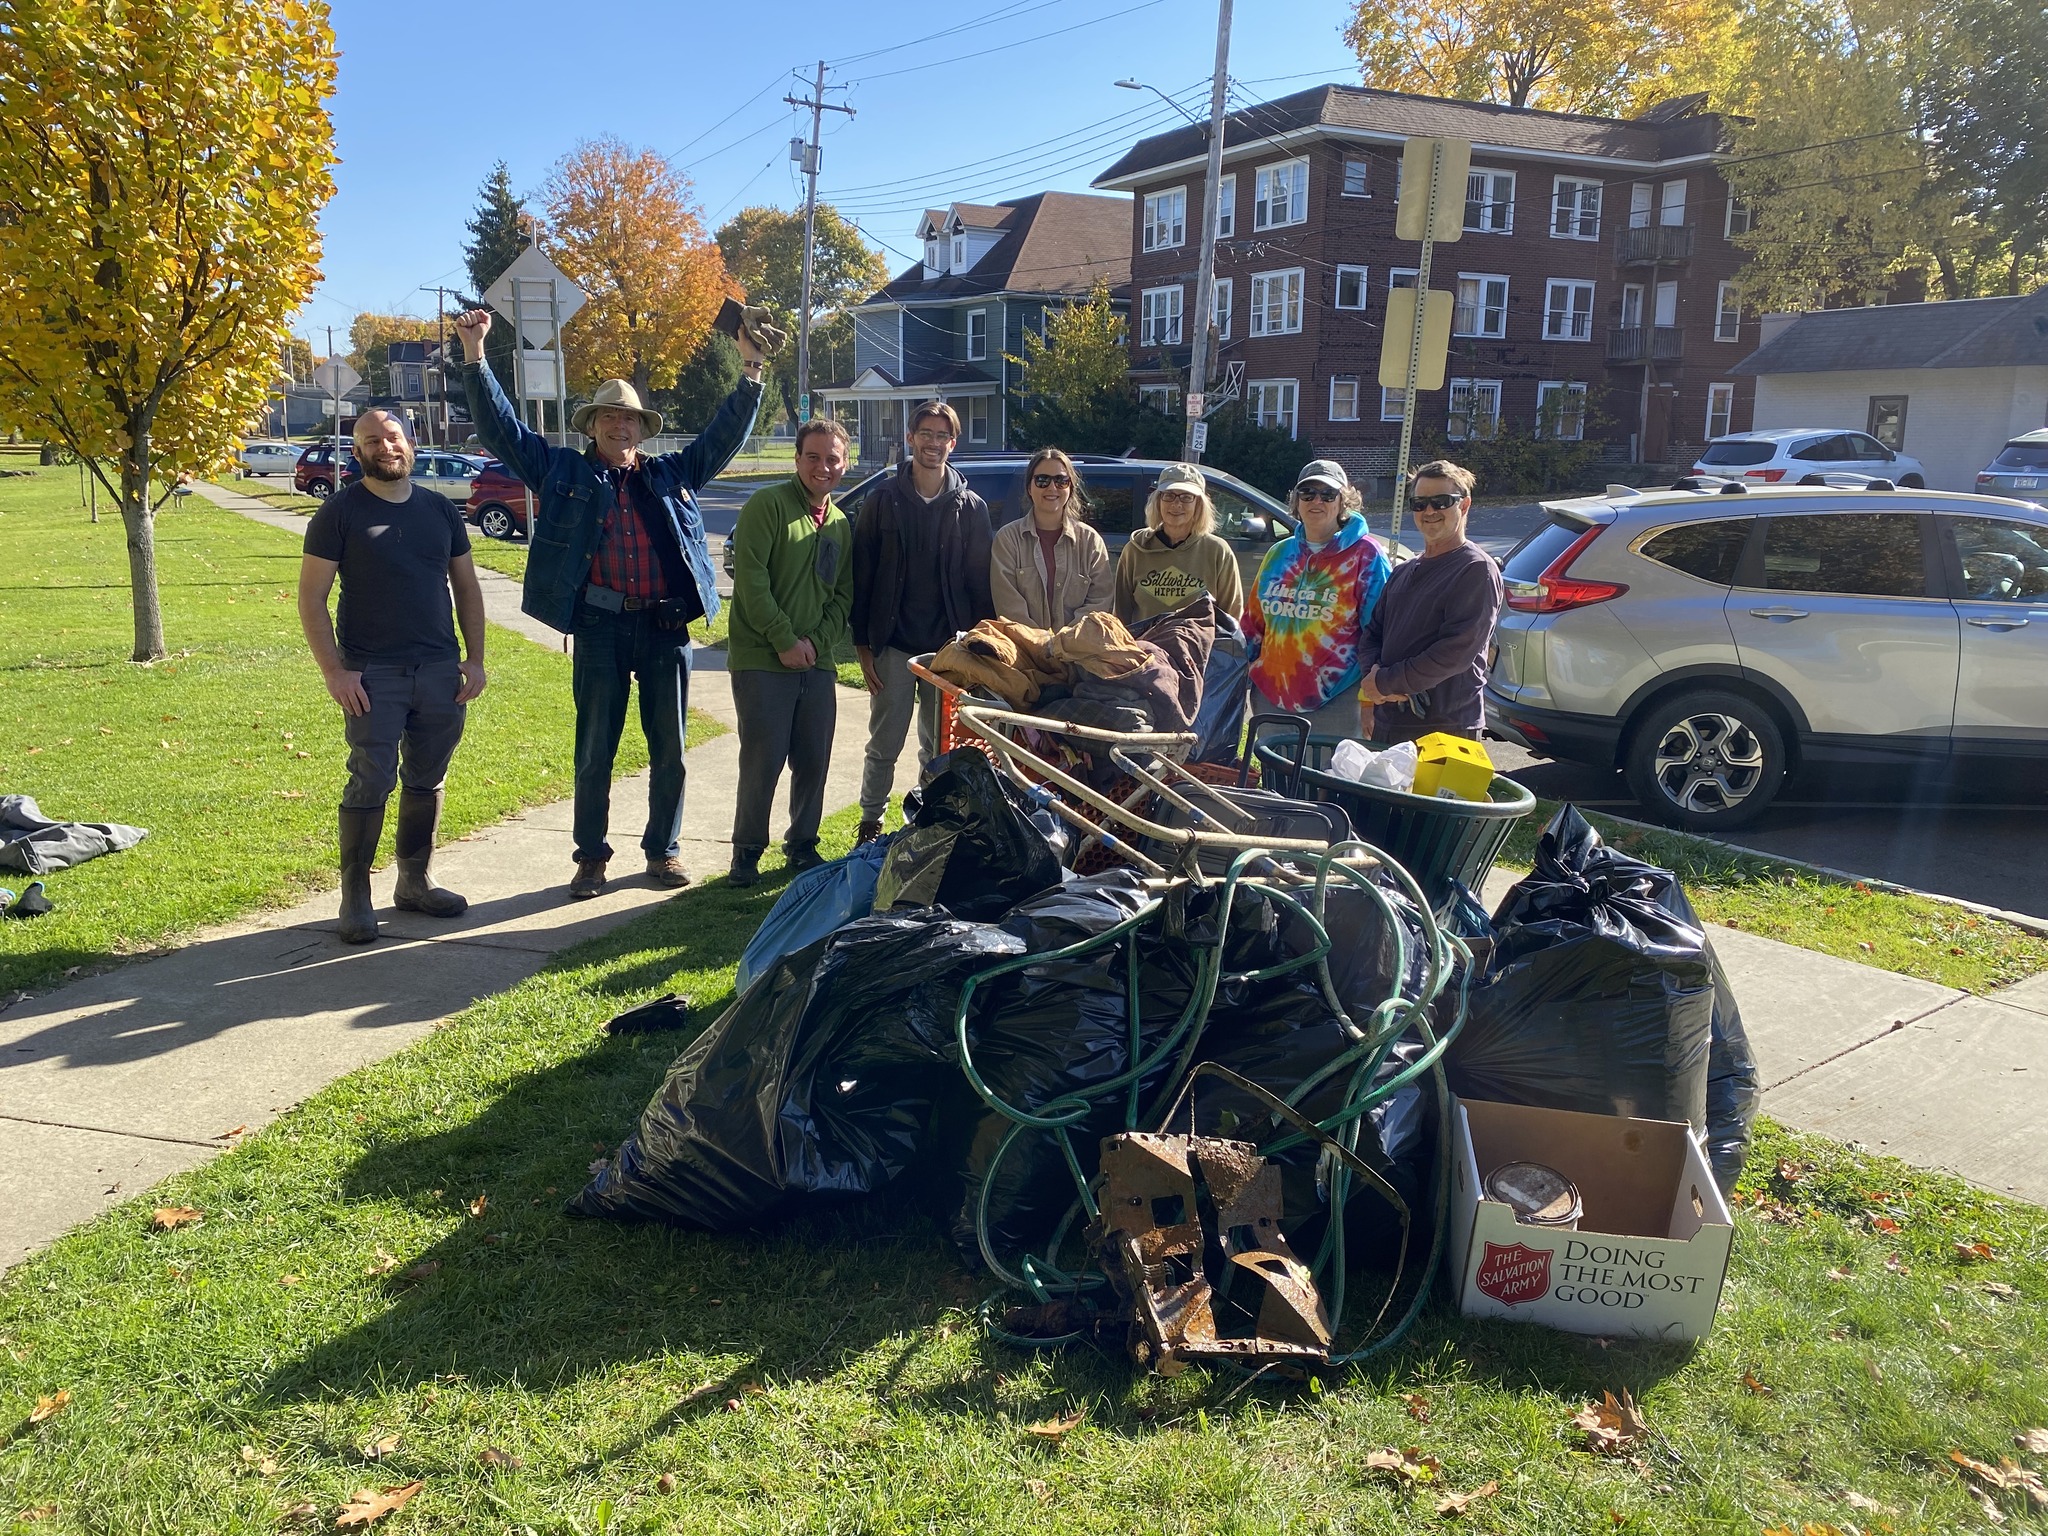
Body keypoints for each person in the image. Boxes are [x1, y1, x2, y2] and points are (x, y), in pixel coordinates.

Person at [453, 305, 776, 899]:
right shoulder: (561, 472)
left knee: (670, 752)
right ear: (592, 424)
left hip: (665, 629)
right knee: (595, 749)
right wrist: (475, 356)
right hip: (599, 627)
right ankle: (591, 858)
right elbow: (503, 430)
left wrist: (751, 372)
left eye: (629, 419)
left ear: (642, 430)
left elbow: (722, 436)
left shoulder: (672, 474)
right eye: (608, 417)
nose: (619, 427)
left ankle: (663, 851)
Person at [298, 408, 488, 945]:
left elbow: (468, 588)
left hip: (438, 670)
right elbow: (312, 599)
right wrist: (335, 672)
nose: (386, 446)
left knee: (428, 776)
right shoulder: (337, 514)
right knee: (372, 776)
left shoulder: (438, 511)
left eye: (393, 435)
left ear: (410, 441)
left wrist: (473, 660)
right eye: (371, 440)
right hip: (371, 674)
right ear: (357, 453)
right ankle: (355, 894)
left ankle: (414, 881)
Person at [848, 400, 995, 844]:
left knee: (938, 746)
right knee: (884, 742)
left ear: (953, 443)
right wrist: (862, 643)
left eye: (942, 436)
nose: (933, 443)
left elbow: (978, 585)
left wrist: (977, 650)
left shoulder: (970, 507)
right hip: (893, 643)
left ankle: (929, 822)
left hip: (948, 653)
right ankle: (871, 822)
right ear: (910, 438)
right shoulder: (883, 501)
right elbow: (863, 574)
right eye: (925, 433)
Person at [725, 418, 856, 887]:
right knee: (763, 758)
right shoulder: (768, 506)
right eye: (813, 457)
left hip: (816, 664)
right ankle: (746, 852)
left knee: (813, 758)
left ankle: (802, 844)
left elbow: (843, 596)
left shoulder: (840, 523)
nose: (823, 467)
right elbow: (752, 580)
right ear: (797, 459)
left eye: (833, 459)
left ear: (845, 464)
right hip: (762, 659)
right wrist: (783, 640)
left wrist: (816, 644)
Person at [1358, 460, 1505, 744]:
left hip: (1446, 728)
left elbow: (1455, 652)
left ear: (1464, 506)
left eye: (1441, 502)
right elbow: (1372, 634)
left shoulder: (1476, 570)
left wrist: (1385, 682)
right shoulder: (1404, 570)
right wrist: (1374, 681)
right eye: (1420, 503)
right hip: (1389, 723)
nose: (1429, 511)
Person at [1242, 459, 1389, 739]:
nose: (1316, 500)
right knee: (1276, 782)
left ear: (1343, 502)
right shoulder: (1278, 554)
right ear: (1296, 502)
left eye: (1327, 494)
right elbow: (1253, 625)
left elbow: (1380, 632)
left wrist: (1370, 700)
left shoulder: (1367, 556)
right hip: (1271, 700)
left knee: (1328, 782)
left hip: (1339, 701)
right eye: (1307, 493)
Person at [988, 446, 1112, 629]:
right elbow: (1009, 610)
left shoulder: (1091, 542)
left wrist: (1063, 644)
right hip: (1023, 651)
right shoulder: (1008, 540)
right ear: (1029, 487)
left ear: (1070, 487)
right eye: (1042, 480)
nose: (1052, 487)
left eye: (1061, 480)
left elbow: (1100, 604)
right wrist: (1043, 645)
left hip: (1078, 651)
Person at [1113, 462, 1244, 624]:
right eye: (1169, 495)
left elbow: (1232, 616)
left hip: (1200, 648)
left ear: (1199, 504)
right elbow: (1120, 614)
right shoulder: (1135, 550)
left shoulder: (1218, 551)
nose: (1176, 504)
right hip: (1144, 647)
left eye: (1186, 497)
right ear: (1158, 500)